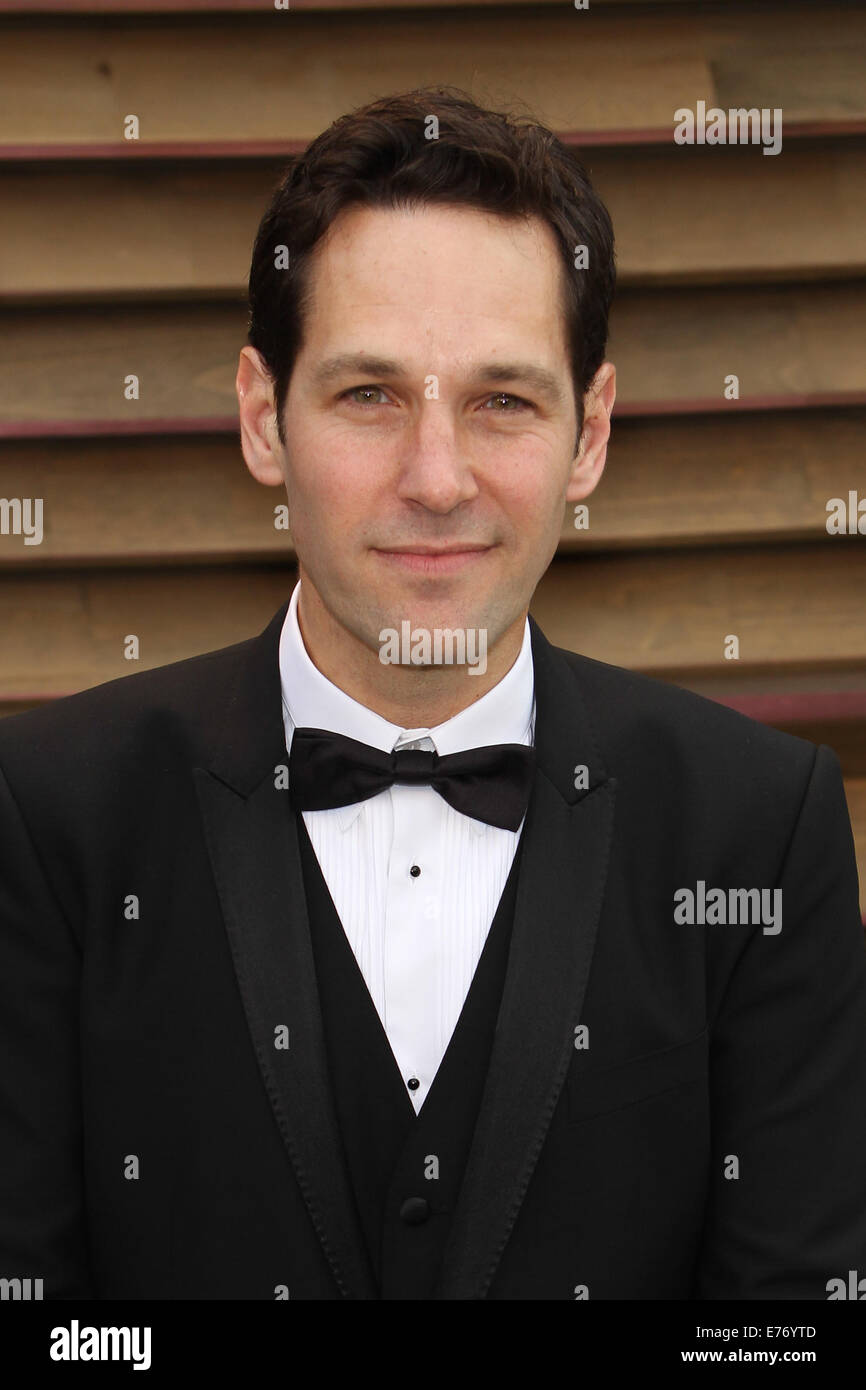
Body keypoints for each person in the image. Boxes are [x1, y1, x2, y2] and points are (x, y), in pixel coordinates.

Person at [1, 87, 864, 1301]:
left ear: (590, 435)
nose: (436, 477)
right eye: (368, 396)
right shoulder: (47, 817)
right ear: (263, 418)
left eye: (501, 401)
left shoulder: (757, 827)